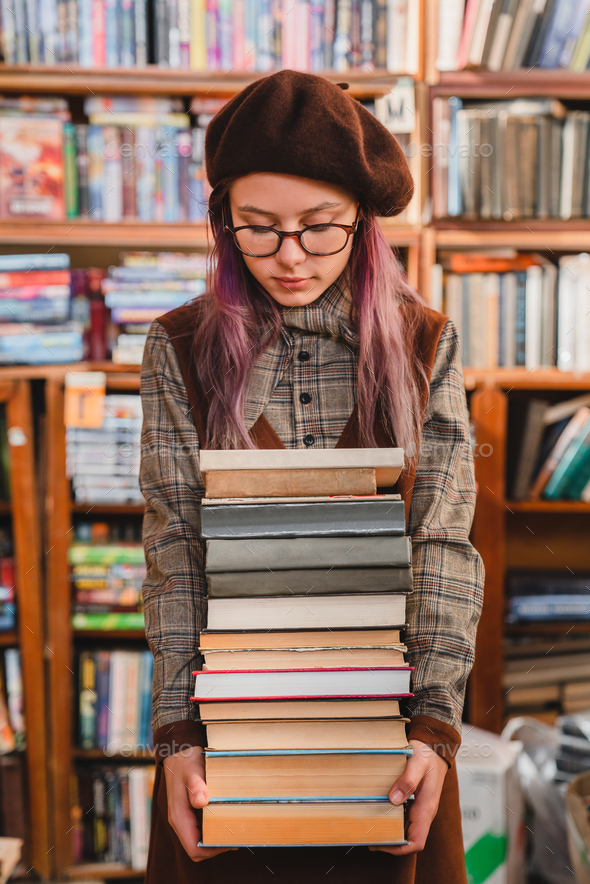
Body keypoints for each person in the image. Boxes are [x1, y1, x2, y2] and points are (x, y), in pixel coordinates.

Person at [140, 70, 484, 884]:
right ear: (225, 223)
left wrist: (433, 729)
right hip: (226, 731)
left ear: (362, 221)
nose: (289, 257)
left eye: (320, 227)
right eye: (258, 228)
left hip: (387, 731)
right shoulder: (178, 347)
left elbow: (442, 543)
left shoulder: (425, 343)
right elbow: (175, 544)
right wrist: (180, 735)